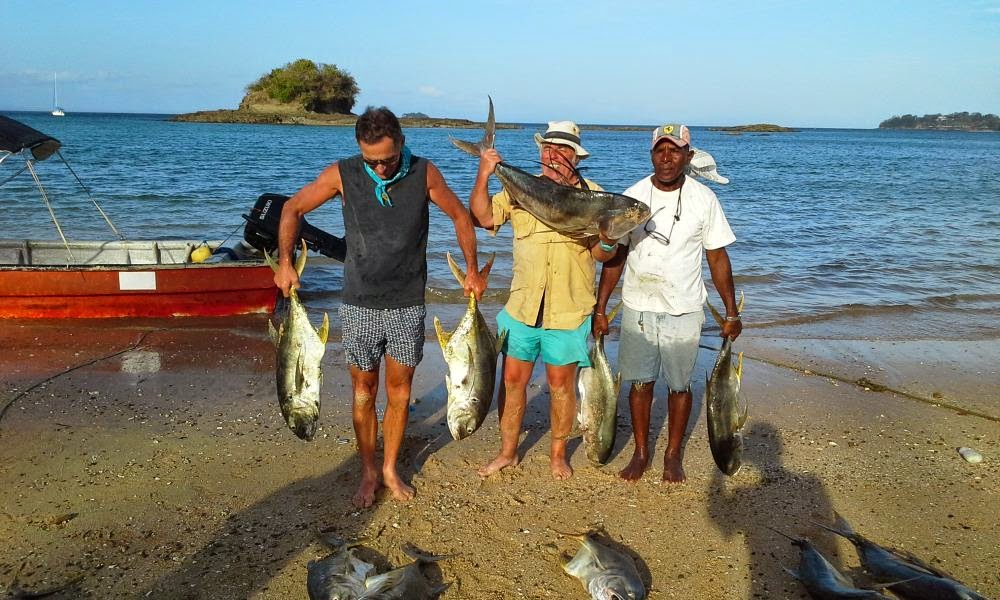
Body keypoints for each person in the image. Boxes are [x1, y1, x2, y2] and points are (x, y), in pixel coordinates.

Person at [273, 107, 485, 508]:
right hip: (359, 303)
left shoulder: (424, 172)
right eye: (373, 161)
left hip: (407, 302)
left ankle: (390, 468)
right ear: (360, 150)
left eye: (388, 159)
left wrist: (472, 269)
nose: (382, 168)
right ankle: (369, 471)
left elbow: (460, 215)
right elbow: (292, 209)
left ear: (401, 143)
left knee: (400, 391)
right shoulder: (343, 173)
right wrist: (285, 263)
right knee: (363, 390)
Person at [470, 121, 619, 480]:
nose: (553, 156)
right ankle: (508, 452)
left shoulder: (595, 196)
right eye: (548, 149)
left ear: (574, 156)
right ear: (540, 152)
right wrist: (484, 172)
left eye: (562, 150)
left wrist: (610, 239)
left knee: (561, 385)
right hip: (523, 306)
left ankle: (557, 455)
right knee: (513, 382)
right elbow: (483, 215)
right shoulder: (520, 187)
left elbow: (601, 255)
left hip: (568, 309)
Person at [593, 123, 742, 484]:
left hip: (685, 307)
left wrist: (731, 311)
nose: (667, 158)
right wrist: (600, 309)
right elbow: (615, 258)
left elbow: (717, 258)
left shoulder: (704, 199)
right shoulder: (631, 198)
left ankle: (673, 454)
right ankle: (642, 451)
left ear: (688, 156)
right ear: (651, 155)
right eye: (660, 150)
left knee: (680, 385)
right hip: (639, 305)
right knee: (640, 384)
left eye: (675, 151)